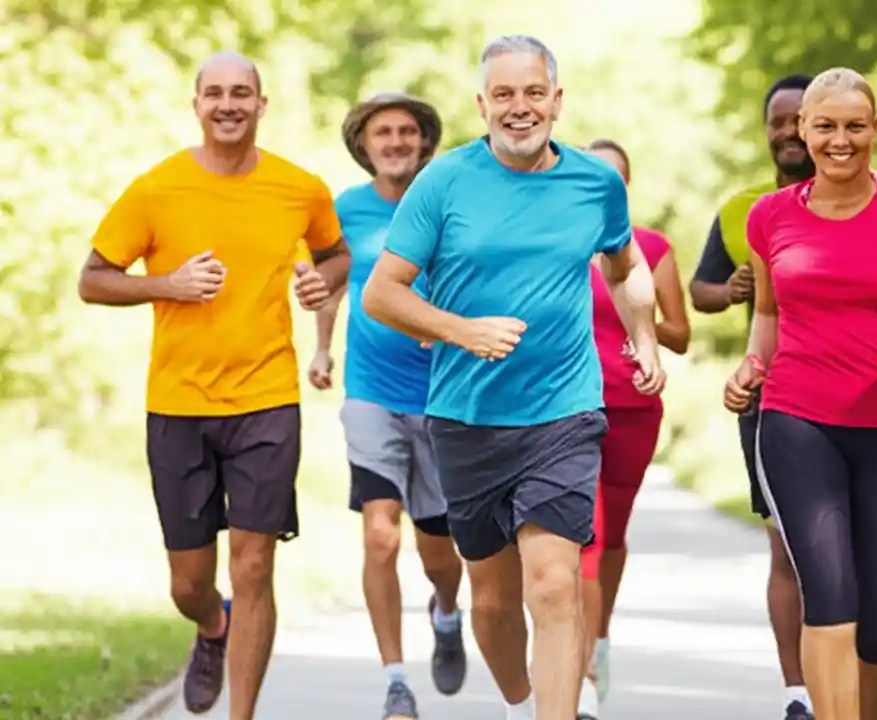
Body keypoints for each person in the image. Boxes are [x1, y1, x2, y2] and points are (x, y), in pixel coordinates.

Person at [361, 35, 665, 720]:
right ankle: (521, 702)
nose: (519, 108)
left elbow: (624, 266)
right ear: (482, 105)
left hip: (565, 411)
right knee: (494, 605)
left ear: (557, 101)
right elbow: (383, 293)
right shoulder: (444, 182)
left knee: (556, 585)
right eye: (504, 95)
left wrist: (643, 337)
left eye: (534, 93)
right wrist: (461, 330)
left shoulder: (595, 183)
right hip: (467, 417)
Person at [77, 52, 350, 720]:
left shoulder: (299, 187)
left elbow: (335, 253)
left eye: (242, 94)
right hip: (178, 405)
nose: (228, 104)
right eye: (215, 94)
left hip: (267, 401)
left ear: (261, 105)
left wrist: (324, 281)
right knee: (189, 582)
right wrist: (165, 285)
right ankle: (210, 626)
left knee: (254, 564)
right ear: (196, 104)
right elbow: (92, 277)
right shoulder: (156, 190)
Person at [723, 67, 877, 720]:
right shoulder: (769, 216)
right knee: (829, 596)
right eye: (825, 126)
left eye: (854, 126)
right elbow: (771, 317)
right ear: (802, 130)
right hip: (798, 423)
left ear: (876, 128)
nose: (841, 140)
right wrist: (752, 366)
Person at [306, 91, 468, 720]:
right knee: (379, 535)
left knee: (439, 548)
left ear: (424, 140)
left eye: (407, 131)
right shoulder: (346, 210)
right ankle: (395, 681)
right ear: (364, 144)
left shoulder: (447, 204)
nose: (396, 141)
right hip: (371, 392)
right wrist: (321, 350)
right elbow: (331, 284)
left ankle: (447, 612)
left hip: (444, 396)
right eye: (383, 133)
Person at [690, 72, 816, 720]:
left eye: (801, 119)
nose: (789, 131)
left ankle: (843, 676)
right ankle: (799, 693)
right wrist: (734, 289)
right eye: (778, 120)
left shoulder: (867, 204)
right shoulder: (743, 211)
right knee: (788, 547)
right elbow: (700, 293)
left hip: (852, 399)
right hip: (770, 397)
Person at [576, 138, 691, 718]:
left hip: (633, 405)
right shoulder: (558, 241)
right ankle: (578, 673)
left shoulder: (650, 247)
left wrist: (639, 327)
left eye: (613, 178)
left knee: (611, 536)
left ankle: (598, 633)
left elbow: (681, 332)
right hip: (568, 410)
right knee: (583, 538)